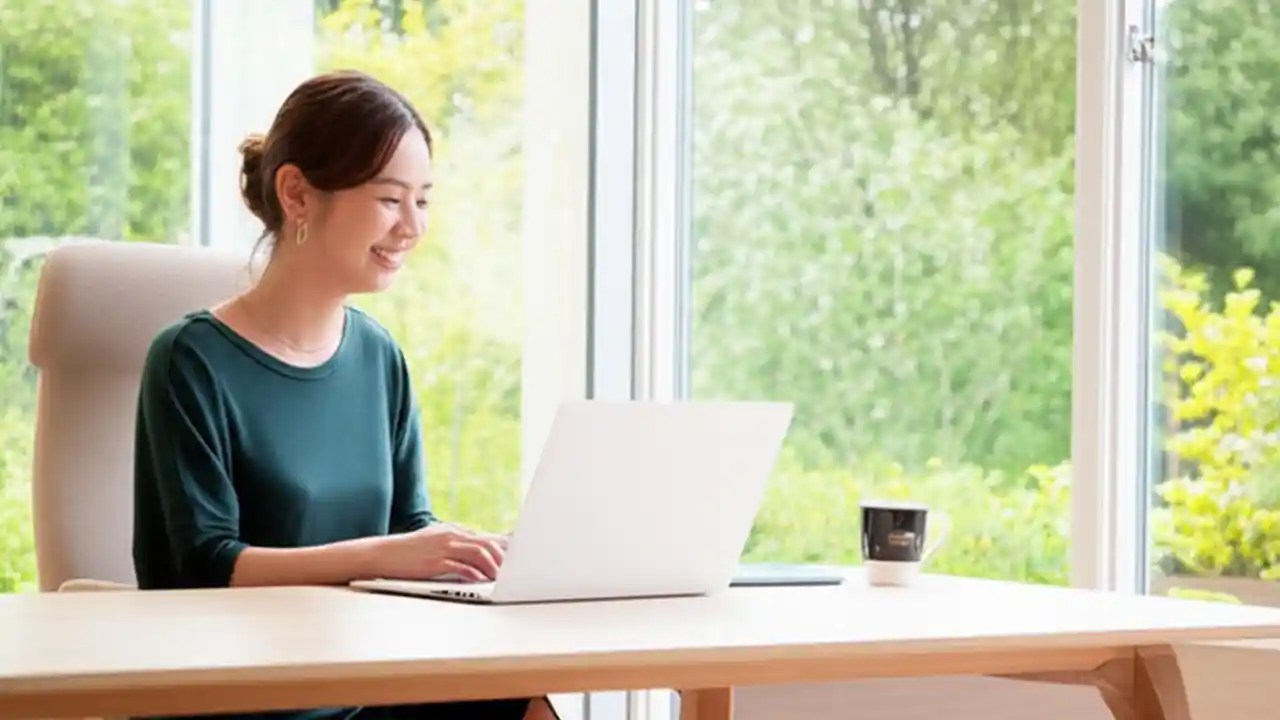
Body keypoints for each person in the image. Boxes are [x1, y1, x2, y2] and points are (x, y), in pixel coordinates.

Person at [132, 70, 558, 720]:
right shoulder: (190, 361)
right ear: (297, 193)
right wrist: (395, 553)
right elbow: (207, 565)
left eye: (424, 200)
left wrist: (480, 553)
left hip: (363, 686)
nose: (412, 227)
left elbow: (408, 526)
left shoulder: (378, 355)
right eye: (391, 200)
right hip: (238, 701)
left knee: (518, 695)